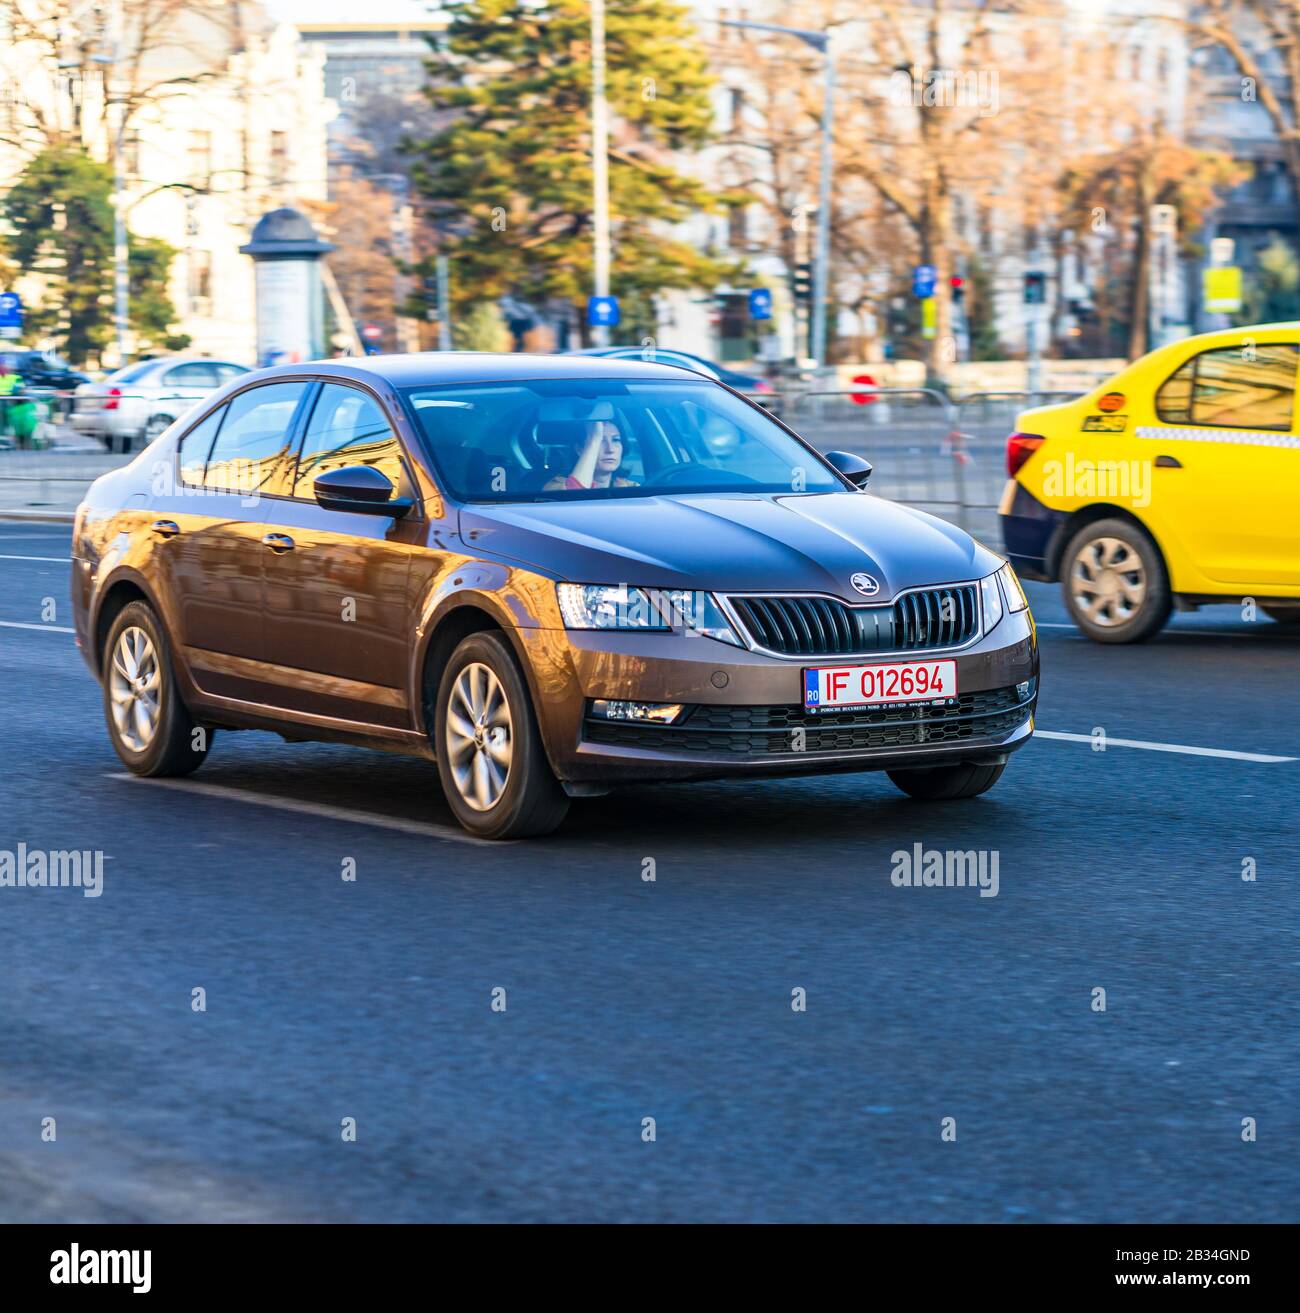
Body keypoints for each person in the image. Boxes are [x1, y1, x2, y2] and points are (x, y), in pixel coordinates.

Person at [545, 418, 637, 490]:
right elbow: (573, 497)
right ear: (579, 449)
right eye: (600, 441)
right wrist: (594, 438)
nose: (610, 449)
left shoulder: (632, 488)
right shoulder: (556, 485)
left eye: (615, 440)